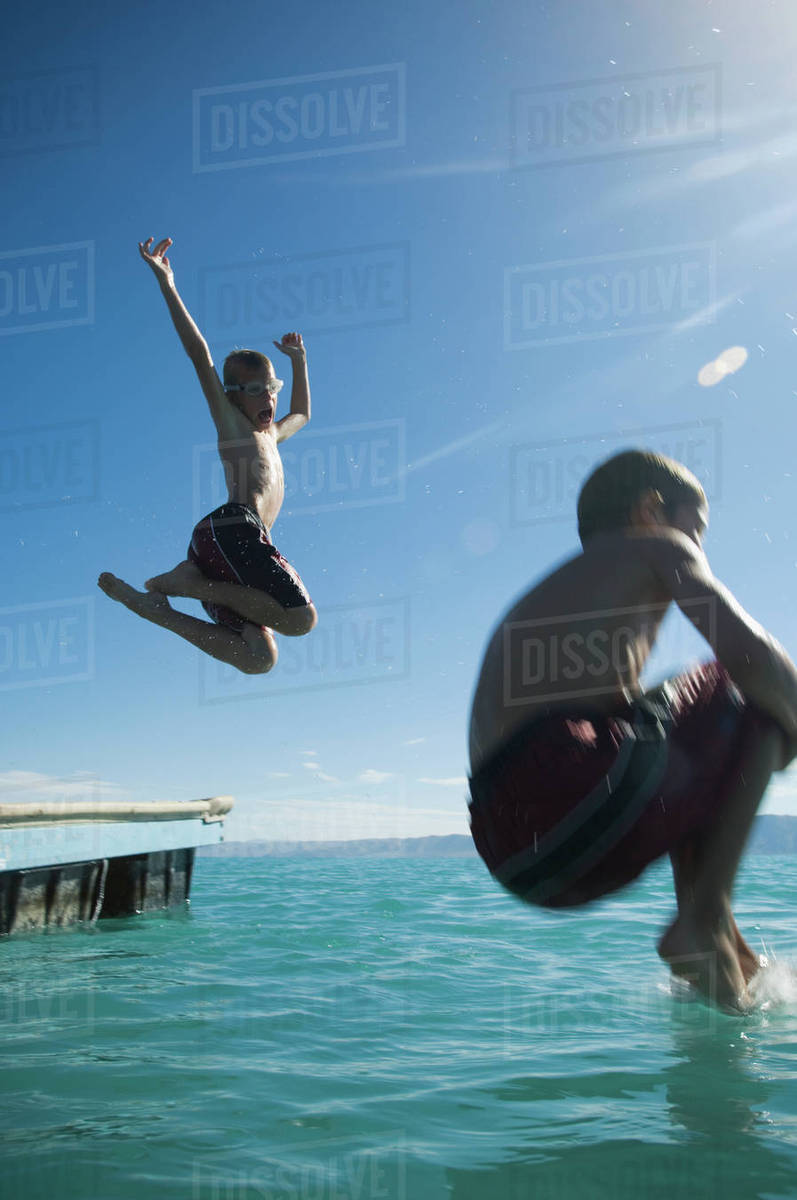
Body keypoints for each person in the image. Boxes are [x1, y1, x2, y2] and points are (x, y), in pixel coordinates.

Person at [467, 449, 797, 1011]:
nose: (698, 544)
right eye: (697, 528)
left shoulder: (557, 595)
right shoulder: (659, 546)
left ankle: (719, 944)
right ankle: (704, 915)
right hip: (565, 785)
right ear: (651, 510)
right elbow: (750, 657)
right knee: (752, 696)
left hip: (511, 845)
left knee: (687, 738)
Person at [99, 236, 317, 675]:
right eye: (255, 390)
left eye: (270, 388)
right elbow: (200, 355)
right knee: (300, 618)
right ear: (234, 396)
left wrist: (298, 361)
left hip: (231, 548)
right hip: (232, 528)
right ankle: (187, 584)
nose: (268, 398)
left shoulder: (271, 435)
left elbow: (303, 414)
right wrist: (168, 284)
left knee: (260, 658)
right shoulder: (233, 425)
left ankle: (156, 609)